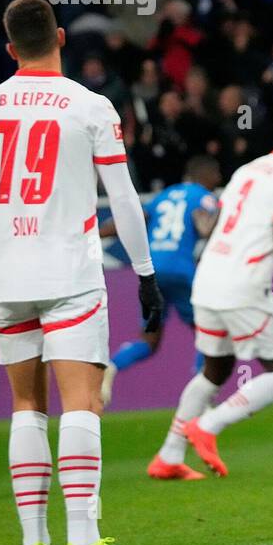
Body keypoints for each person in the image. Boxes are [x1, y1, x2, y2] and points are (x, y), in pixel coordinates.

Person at [0, 0, 164, 545]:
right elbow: (123, 198)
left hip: (8, 279)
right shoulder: (90, 106)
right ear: (61, 38)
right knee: (82, 402)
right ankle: (85, 541)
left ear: (9, 48)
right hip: (72, 276)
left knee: (26, 406)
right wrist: (145, 274)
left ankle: (32, 544)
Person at [150, 110, 273, 480]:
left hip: (207, 281)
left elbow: (218, 226)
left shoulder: (246, 171)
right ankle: (209, 424)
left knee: (215, 370)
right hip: (244, 287)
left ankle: (169, 455)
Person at [98, 155, 223, 410]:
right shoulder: (204, 196)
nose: (219, 179)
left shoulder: (164, 195)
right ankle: (203, 397)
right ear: (206, 175)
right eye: (217, 174)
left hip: (150, 271)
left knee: (148, 339)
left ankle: (112, 366)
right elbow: (207, 228)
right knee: (206, 331)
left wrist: (96, 232)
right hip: (181, 270)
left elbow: (135, 217)